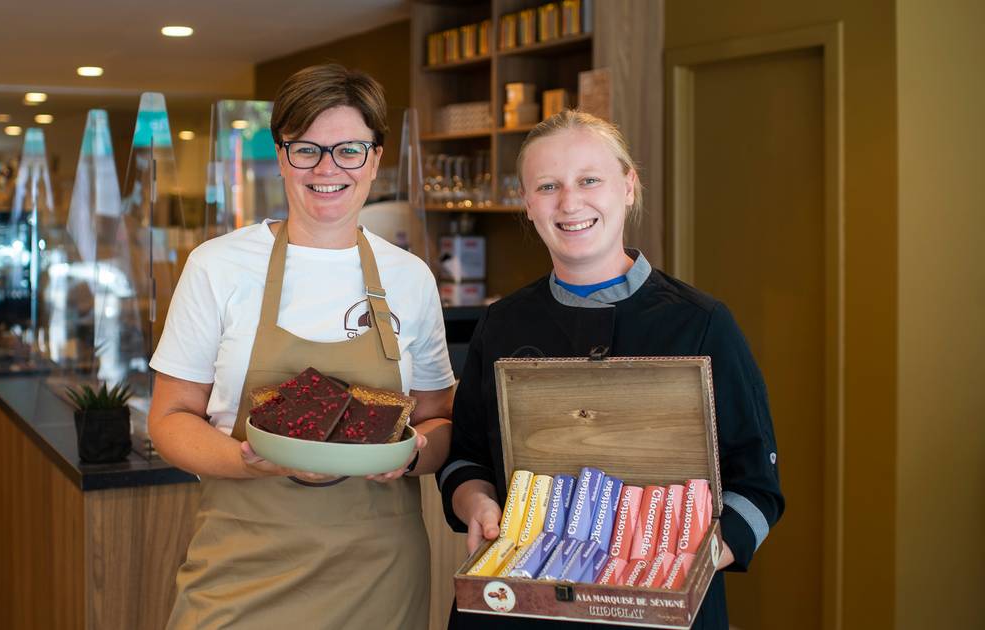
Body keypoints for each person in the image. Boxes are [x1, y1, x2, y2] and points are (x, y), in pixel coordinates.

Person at [437, 110, 784, 629]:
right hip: (519, 604)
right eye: (548, 186)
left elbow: (757, 489)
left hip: (662, 613)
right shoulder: (502, 324)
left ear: (628, 185)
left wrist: (679, 570)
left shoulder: (703, 324)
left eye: (589, 180)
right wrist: (478, 504)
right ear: (528, 203)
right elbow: (465, 459)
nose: (569, 202)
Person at [148, 64, 456, 629]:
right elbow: (169, 418)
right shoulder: (217, 266)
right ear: (281, 153)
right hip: (242, 567)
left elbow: (439, 421)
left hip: (379, 573)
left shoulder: (409, 277)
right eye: (306, 150)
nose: (327, 169)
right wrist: (246, 460)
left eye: (349, 150)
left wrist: (408, 452)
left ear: (376, 157)